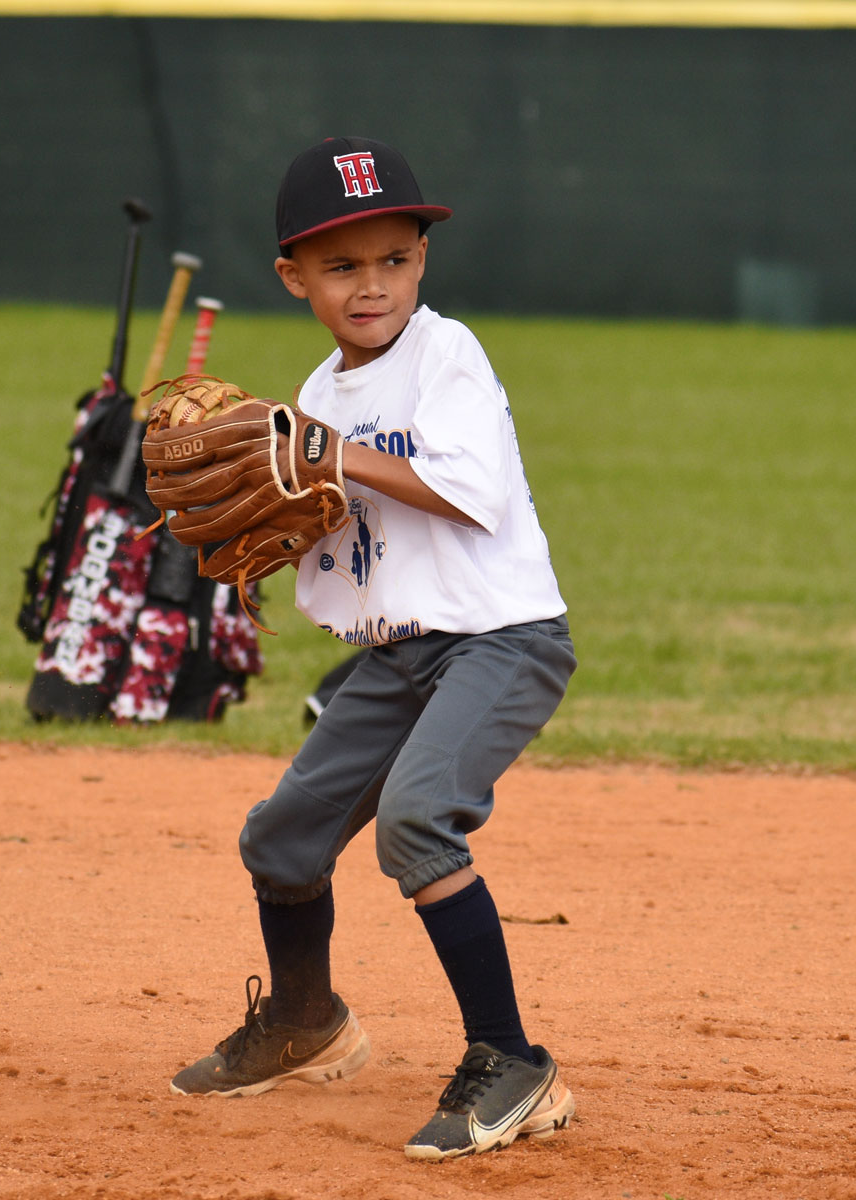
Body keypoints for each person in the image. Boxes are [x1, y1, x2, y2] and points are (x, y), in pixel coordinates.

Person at [166, 136, 578, 1161]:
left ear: (423, 263)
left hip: (501, 640)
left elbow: (465, 492)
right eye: (342, 266)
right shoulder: (317, 394)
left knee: (417, 821)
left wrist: (325, 457)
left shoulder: (449, 357)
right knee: (282, 841)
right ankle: (307, 1024)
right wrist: (252, 536)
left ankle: (511, 1059)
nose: (371, 285)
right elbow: (333, 534)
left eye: (393, 258)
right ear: (293, 278)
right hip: (399, 655)